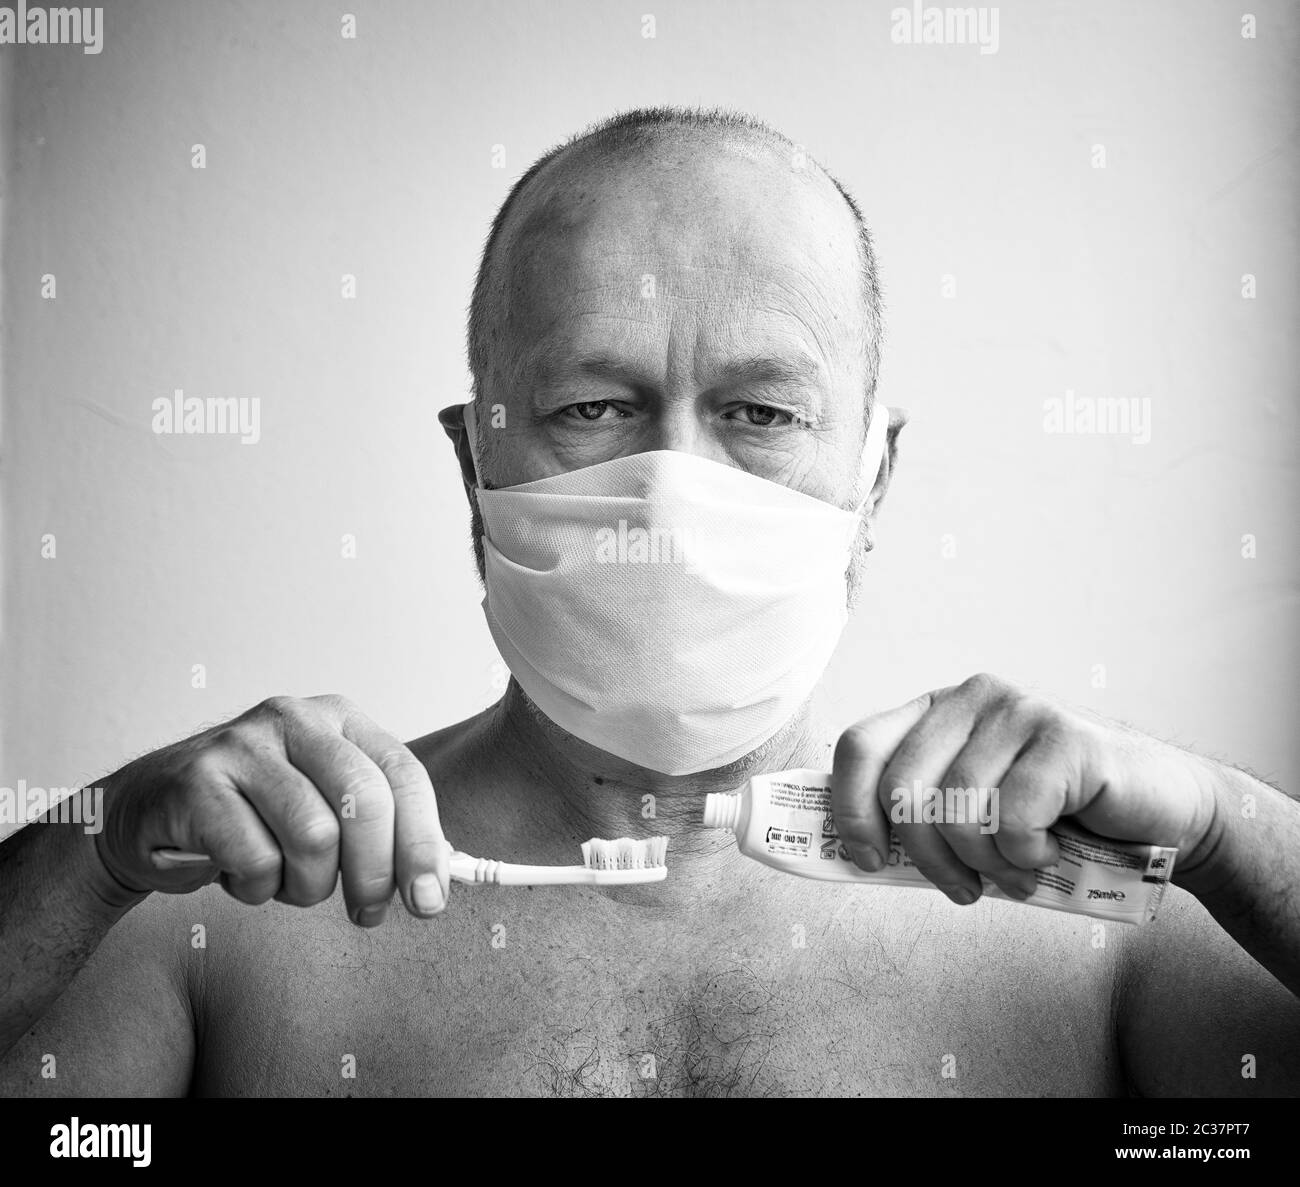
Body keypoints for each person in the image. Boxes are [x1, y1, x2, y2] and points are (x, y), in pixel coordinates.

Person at [2, 107, 1296, 1098]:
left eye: (761, 412)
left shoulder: (1099, 921)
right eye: (591, 407)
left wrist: (1232, 828)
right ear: (477, 463)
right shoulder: (231, 910)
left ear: (873, 473)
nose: (673, 488)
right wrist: (93, 843)